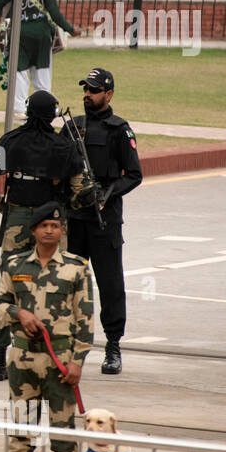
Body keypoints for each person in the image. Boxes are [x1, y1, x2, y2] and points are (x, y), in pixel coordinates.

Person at [0, 89, 94, 381]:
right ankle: (52, 352)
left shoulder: (10, 141)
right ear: (52, 115)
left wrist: (4, 207)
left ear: (28, 112)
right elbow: (84, 192)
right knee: (55, 288)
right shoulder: (64, 147)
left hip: (16, 221)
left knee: (8, 288)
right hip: (52, 222)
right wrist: (67, 210)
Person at [0, 202, 93, 452]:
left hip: (60, 360)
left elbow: (85, 316)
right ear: (33, 230)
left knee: (62, 430)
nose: (50, 230)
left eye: (56, 226)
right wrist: (18, 312)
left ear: (63, 231)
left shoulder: (77, 267)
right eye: (44, 225)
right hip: (23, 359)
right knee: (21, 427)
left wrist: (77, 361)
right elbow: (0, 303)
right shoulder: (14, 263)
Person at [69, 67, 141, 375]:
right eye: (85, 89)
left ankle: (113, 345)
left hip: (104, 220)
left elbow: (135, 175)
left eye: (93, 90)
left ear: (108, 94)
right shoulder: (73, 127)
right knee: (68, 283)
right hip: (74, 217)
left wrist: (107, 193)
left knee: (110, 284)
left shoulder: (119, 129)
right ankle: (72, 344)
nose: (87, 94)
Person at [0, 0, 76, 115]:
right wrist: (70, 29)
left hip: (20, 34)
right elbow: (54, 13)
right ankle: (47, 107)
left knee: (19, 71)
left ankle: (19, 108)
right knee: (42, 72)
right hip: (41, 35)